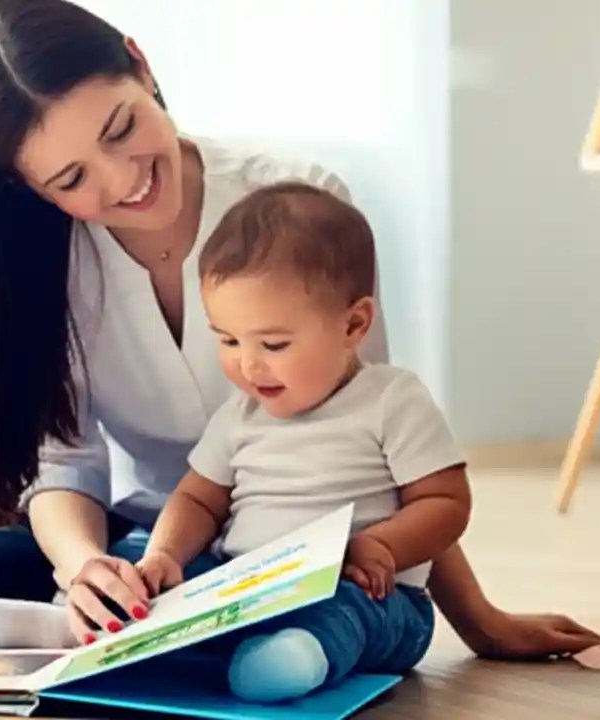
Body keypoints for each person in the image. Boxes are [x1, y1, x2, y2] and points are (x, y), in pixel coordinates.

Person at [0, 0, 600, 660]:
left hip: (215, 534)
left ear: (142, 62)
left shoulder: (295, 205)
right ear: (31, 189)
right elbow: (65, 466)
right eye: (70, 179)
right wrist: (83, 562)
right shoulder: (45, 252)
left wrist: (480, 623)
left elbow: (373, 441)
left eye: (121, 127)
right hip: (104, 505)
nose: (121, 183)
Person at [130, 181, 467, 702]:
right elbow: (197, 498)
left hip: (365, 591)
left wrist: (382, 546)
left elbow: (446, 502)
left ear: (353, 324)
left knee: (347, 614)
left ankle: (296, 659)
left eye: (274, 343)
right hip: (242, 587)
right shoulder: (239, 415)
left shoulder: (390, 399)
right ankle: (85, 632)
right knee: (166, 578)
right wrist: (163, 556)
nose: (247, 363)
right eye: (227, 339)